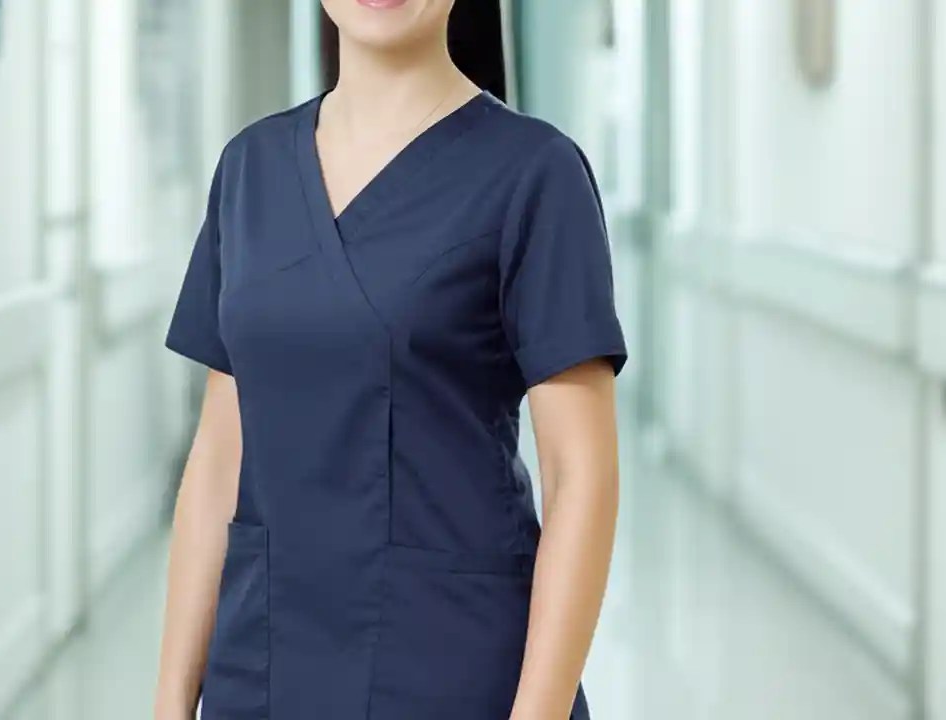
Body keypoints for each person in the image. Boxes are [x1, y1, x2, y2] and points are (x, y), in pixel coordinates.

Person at [154, 1, 627, 717]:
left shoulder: (535, 173)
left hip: (456, 669)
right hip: (263, 669)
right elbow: (219, 458)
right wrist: (169, 701)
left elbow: (582, 478)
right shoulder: (250, 169)